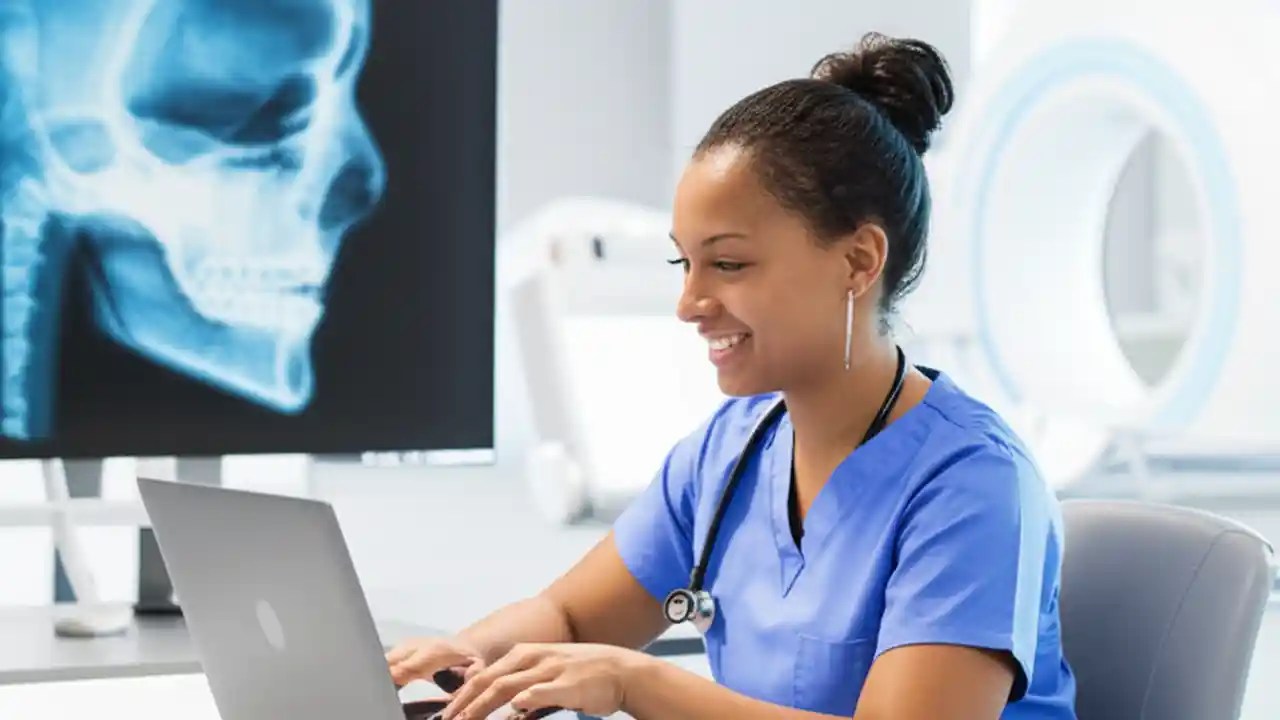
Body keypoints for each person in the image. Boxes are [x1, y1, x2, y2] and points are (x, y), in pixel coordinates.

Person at [386, 32, 1078, 720]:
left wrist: (635, 683)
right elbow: (568, 618)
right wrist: (463, 659)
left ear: (858, 261)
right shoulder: (729, 452)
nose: (689, 303)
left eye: (728, 264)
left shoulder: (974, 484)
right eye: (683, 264)